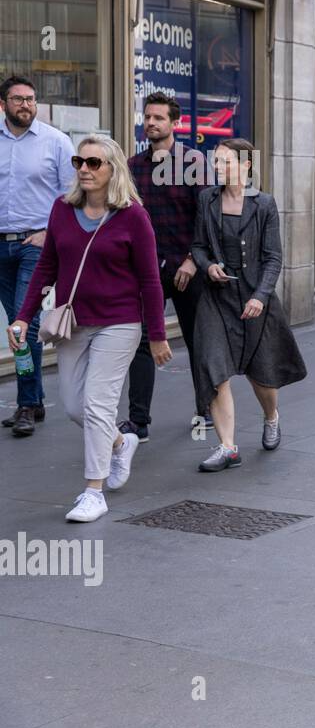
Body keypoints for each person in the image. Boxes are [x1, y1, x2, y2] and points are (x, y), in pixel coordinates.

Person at [10, 135, 169, 521]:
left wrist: (158, 334)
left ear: (112, 169)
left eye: (94, 163)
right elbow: (46, 266)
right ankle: (120, 442)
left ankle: (93, 491)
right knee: (74, 406)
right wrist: (22, 316)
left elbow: (150, 280)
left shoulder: (133, 215)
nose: (84, 168)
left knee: (98, 403)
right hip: (73, 322)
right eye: (80, 161)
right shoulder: (62, 210)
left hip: (120, 323)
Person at [189, 138, 307, 472]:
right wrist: (207, 265)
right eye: (216, 162)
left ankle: (271, 417)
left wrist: (260, 295)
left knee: (262, 374)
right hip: (216, 298)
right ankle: (227, 447)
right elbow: (197, 246)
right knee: (214, 367)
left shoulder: (264, 204)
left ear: (245, 165)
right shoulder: (206, 200)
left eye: (226, 162)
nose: (218, 168)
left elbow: (273, 257)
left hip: (255, 298)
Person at [120, 91, 211, 442]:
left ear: (176, 123)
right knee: (141, 343)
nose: (151, 123)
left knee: (197, 341)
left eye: (159, 118)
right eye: (148, 117)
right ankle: (138, 422)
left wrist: (192, 260)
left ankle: (206, 410)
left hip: (187, 269)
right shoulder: (132, 167)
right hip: (147, 274)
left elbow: (207, 218)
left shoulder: (194, 163)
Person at [0, 76, 73, 437]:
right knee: (17, 322)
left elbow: (71, 196)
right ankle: (36, 400)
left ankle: (28, 403)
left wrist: (50, 234)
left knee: (22, 325)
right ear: (3, 105)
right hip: (0, 247)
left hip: (37, 246)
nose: (25, 105)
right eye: (17, 99)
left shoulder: (56, 142)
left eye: (30, 99)